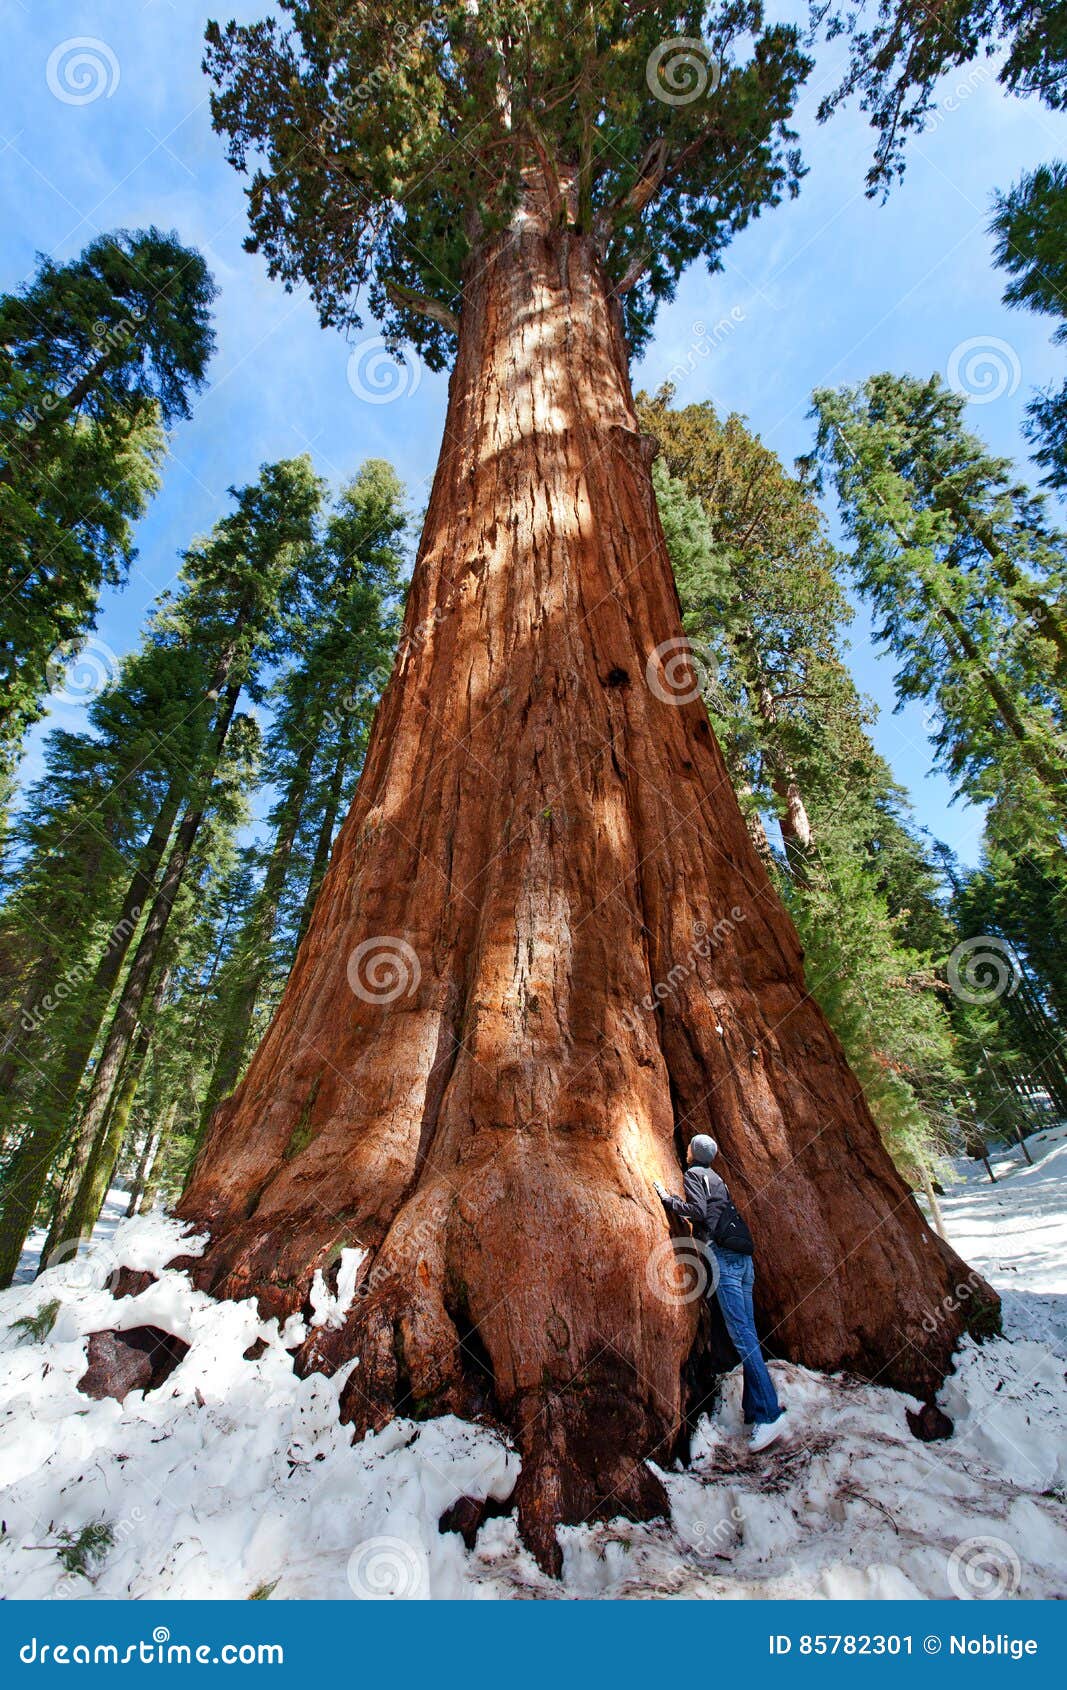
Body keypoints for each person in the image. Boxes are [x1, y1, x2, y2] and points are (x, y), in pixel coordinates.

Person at [655, 1134, 789, 1452]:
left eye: (690, 1147)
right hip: (743, 1261)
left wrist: (667, 1200)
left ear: (695, 1153)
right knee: (747, 1333)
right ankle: (755, 1410)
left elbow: (698, 1212)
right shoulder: (718, 1179)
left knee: (741, 1336)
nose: (686, 1150)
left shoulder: (694, 1174)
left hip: (724, 1261)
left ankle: (770, 1416)